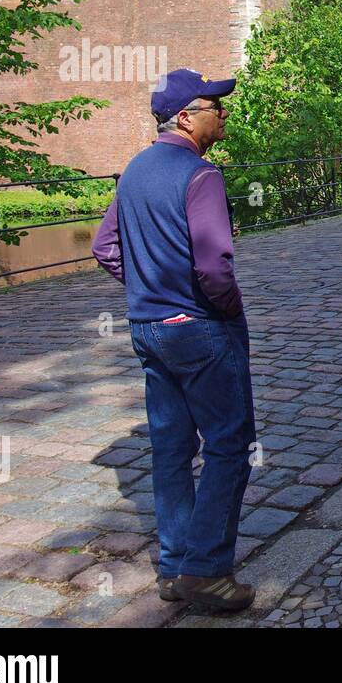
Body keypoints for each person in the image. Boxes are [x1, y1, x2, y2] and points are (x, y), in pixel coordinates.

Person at [90, 67, 256, 613]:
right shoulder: (200, 175)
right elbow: (214, 266)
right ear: (186, 118)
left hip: (148, 329)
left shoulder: (134, 171)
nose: (223, 113)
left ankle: (174, 567)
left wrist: (148, 287)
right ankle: (207, 573)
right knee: (230, 446)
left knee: (171, 450)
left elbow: (105, 247)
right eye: (215, 106)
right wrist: (226, 310)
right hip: (199, 328)